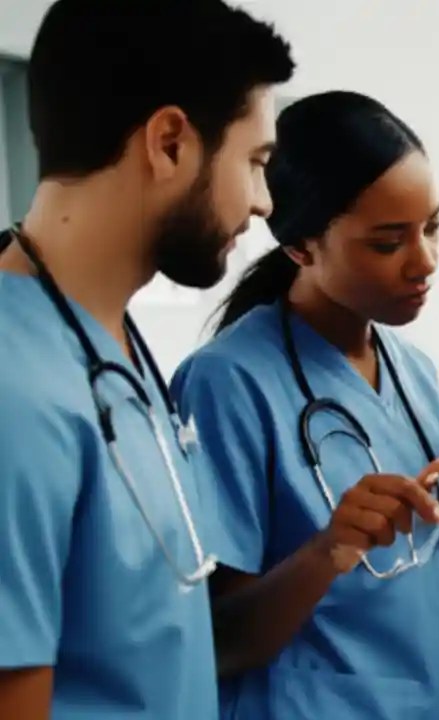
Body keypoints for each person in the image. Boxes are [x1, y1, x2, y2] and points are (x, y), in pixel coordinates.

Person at [0, 1, 293, 717]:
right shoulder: (15, 388)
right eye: (255, 163)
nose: (262, 203)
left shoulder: (117, 357)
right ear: (168, 143)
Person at [168, 91, 439, 719]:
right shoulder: (227, 383)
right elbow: (216, 639)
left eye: (432, 227)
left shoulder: (415, 373)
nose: (426, 262)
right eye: (389, 243)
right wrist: (327, 550)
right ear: (301, 246)